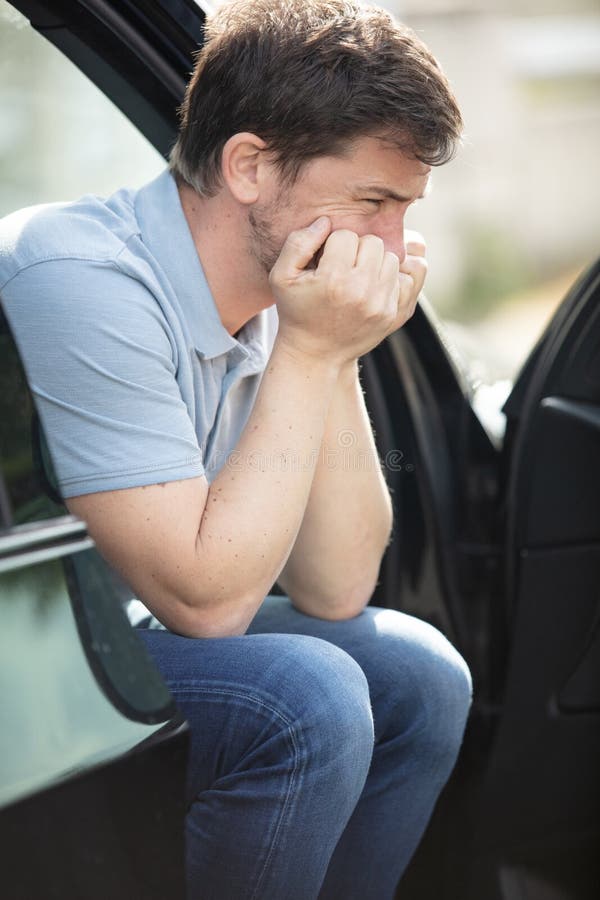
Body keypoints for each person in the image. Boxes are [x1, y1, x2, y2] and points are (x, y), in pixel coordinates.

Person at [0, 0, 472, 896]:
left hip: (122, 624)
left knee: (422, 675)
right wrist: (313, 349)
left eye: (405, 210)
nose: (392, 243)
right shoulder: (79, 274)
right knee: (311, 698)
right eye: (373, 201)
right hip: (33, 651)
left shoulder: (277, 291)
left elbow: (336, 588)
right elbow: (206, 608)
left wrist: (329, 357)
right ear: (250, 165)